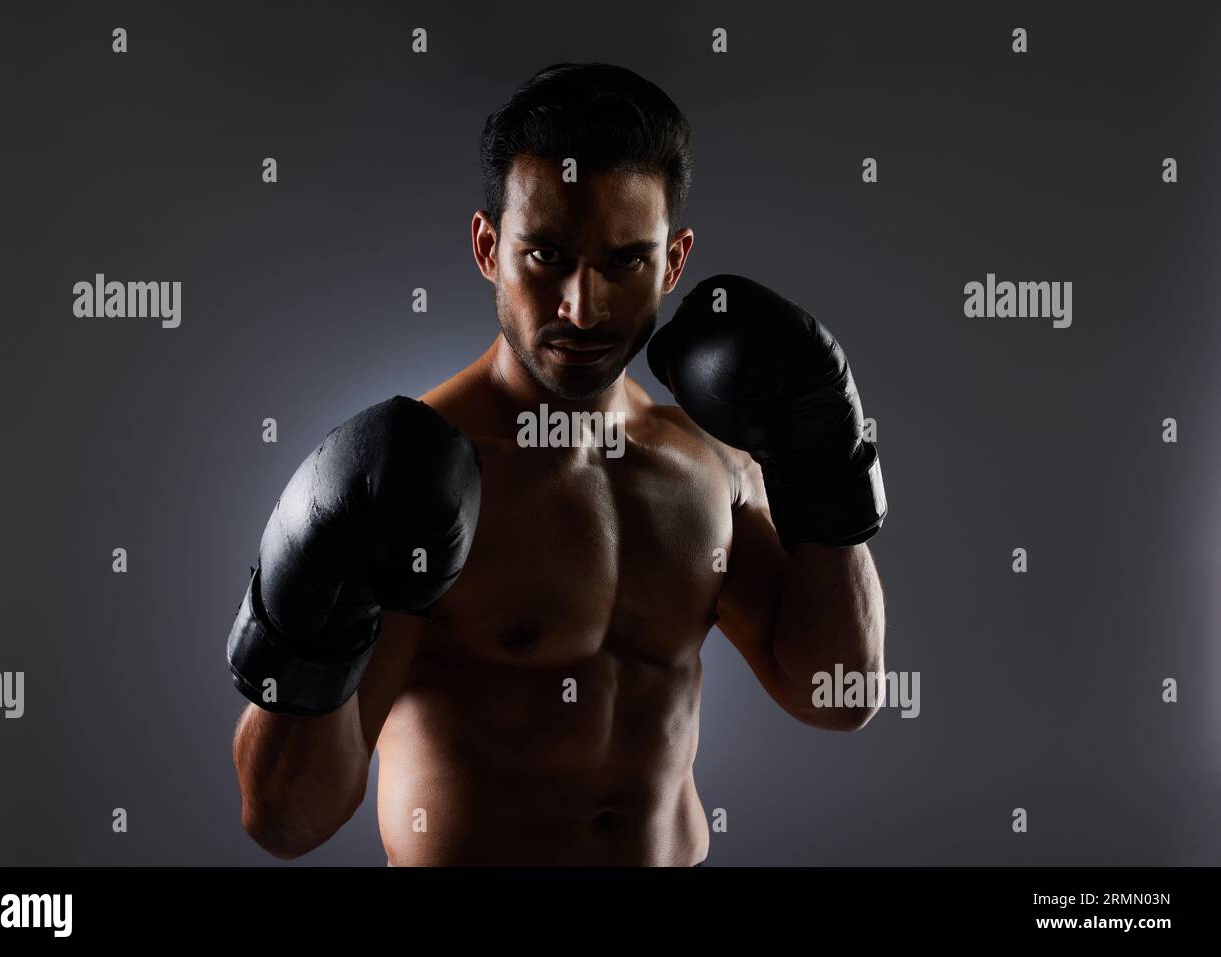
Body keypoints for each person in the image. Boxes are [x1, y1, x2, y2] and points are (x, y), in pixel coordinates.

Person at [227, 62, 887, 866]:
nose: (583, 306)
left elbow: (835, 696)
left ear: (674, 264)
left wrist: (825, 474)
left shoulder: (709, 464)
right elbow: (287, 820)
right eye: (545, 255)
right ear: (487, 247)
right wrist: (310, 628)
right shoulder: (413, 483)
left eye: (624, 262)